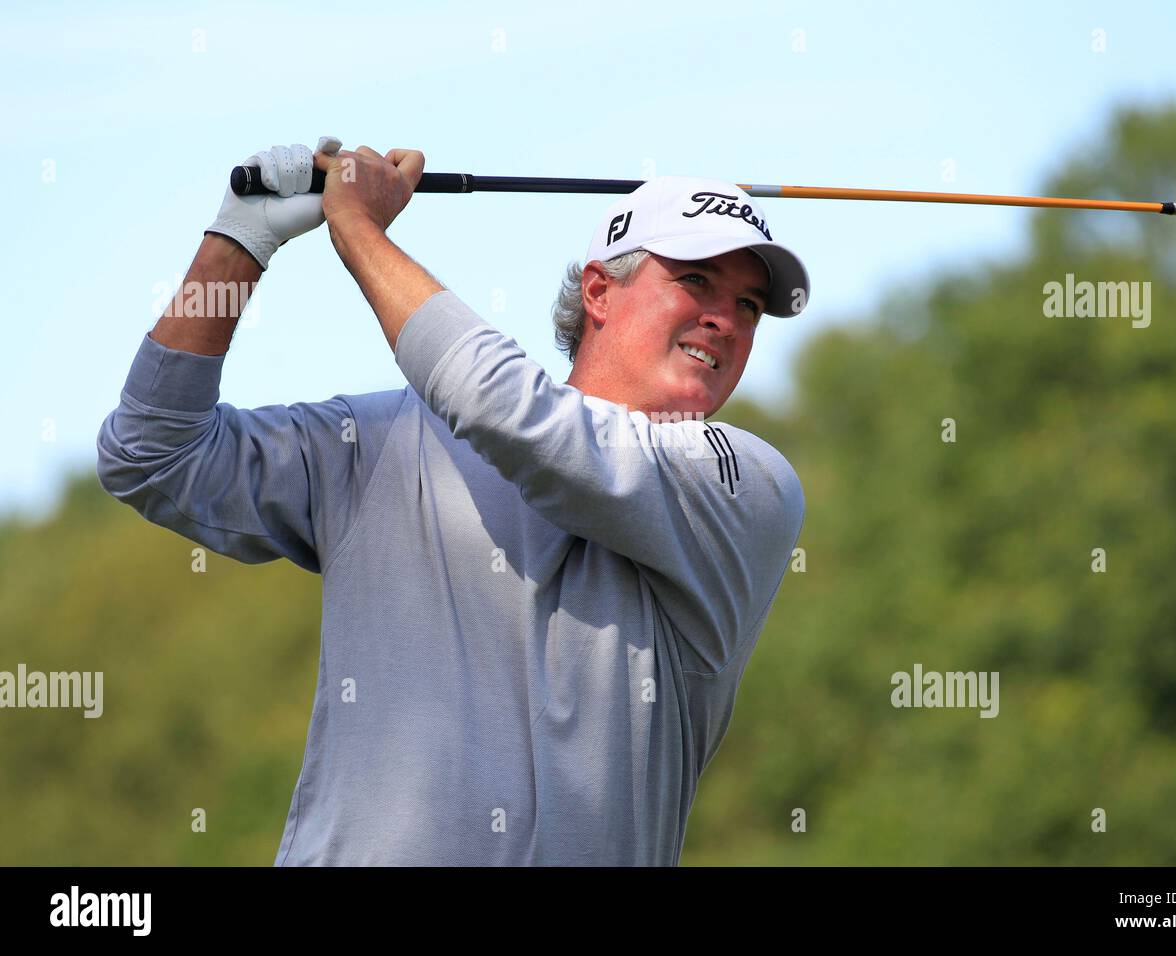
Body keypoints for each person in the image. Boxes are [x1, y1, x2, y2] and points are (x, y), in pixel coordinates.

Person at [96, 137, 811, 865]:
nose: (727, 319)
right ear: (598, 291)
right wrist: (238, 243)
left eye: (749, 304)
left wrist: (359, 231)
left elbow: (515, 416)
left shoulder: (744, 485)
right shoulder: (382, 443)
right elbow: (151, 454)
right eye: (696, 282)